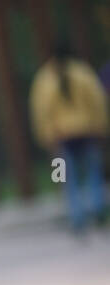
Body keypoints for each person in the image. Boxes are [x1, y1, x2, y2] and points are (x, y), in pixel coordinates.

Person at [29, 39, 110, 235]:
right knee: (93, 172)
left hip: (61, 136)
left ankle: (76, 217)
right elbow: (97, 100)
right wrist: (101, 126)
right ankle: (98, 209)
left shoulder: (45, 79)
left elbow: (41, 111)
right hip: (86, 131)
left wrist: (45, 136)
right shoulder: (82, 72)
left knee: (65, 177)